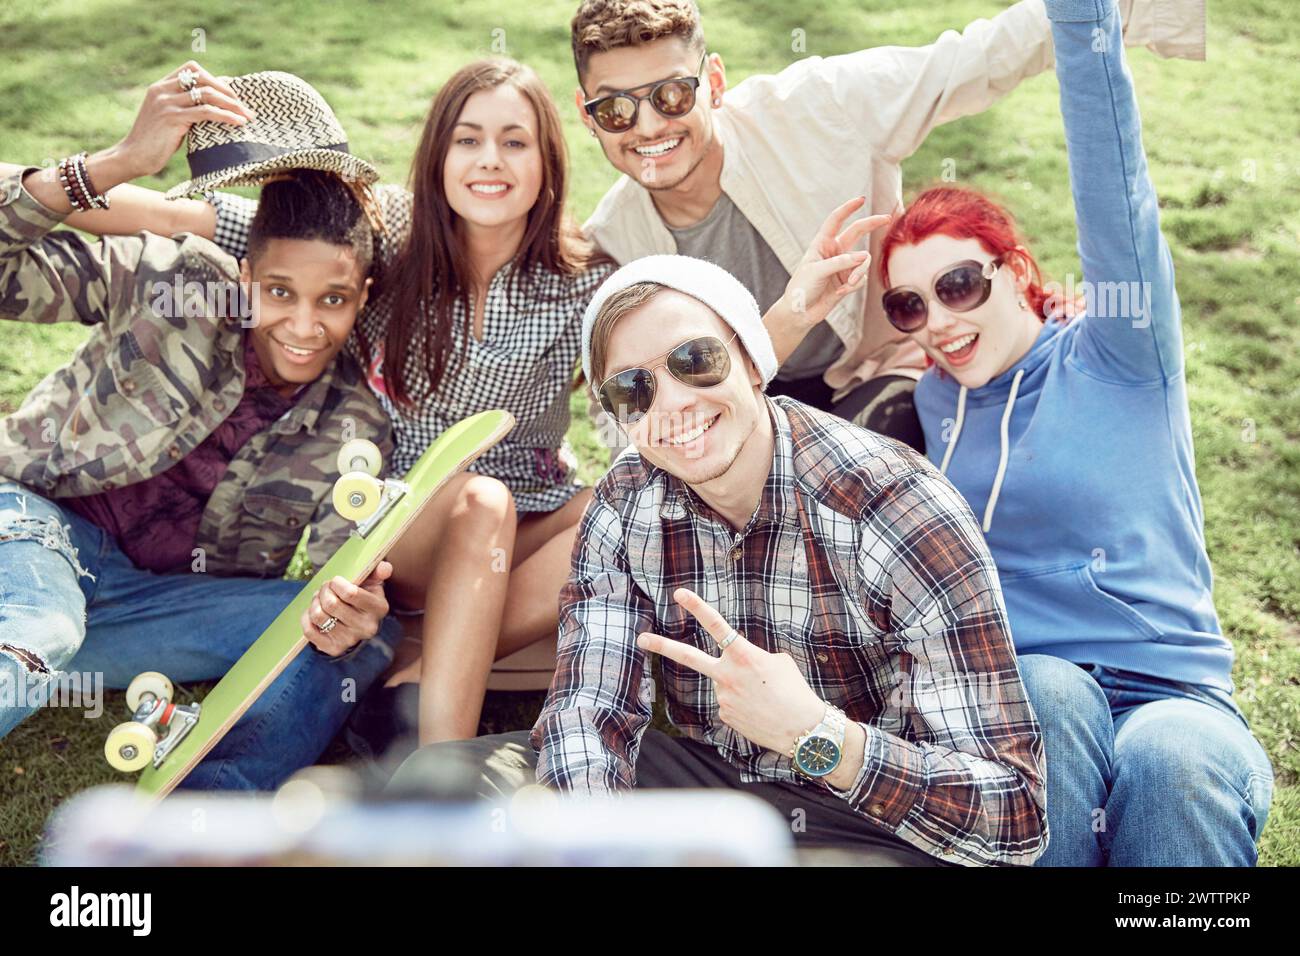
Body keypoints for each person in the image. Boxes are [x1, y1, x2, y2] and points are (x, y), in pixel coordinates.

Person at [389, 250, 1048, 866]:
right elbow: (589, 714)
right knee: (446, 784)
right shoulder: (625, 502)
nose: (672, 402)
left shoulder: (893, 505)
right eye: (633, 389)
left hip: (872, 825)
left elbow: (1011, 817)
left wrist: (816, 735)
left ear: (754, 361)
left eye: (695, 359)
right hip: (714, 798)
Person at [59, 59, 616, 748]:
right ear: (439, 153)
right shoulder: (384, 232)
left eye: (515, 141)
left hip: (528, 518)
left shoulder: (587, 281)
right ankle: (438, 764)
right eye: (468, 140)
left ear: (548, 159)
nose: (489, 161)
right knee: (481, 501)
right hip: (396, 516)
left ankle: (418, 658)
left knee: (625, 505)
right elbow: (178, 219)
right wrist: (71, 182)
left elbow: (638, 395)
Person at [874, 0, 1273, 865]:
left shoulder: (1122, 356)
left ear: (1016, 272)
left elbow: (1115, 189)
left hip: (1174, 694)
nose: (938, 319)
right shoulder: (933, 407)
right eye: (910, 303)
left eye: (961, 285)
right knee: (1045, 695)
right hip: (1031, 691)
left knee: (1168, 760)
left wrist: (1080, 20)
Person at [569, 0, 1206, 454]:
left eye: (672, 96)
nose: (649, 127)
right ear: (588, 115)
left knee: (871, 446)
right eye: (616, 109)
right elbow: (619, 408)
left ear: (713, 82)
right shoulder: (617, 241)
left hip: (878, 370)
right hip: (741, 406)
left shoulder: (823, 105)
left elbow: (977, 60)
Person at [0, 67, 399, 789]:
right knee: (44, 628)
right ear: (246, 277)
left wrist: (354, 608)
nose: (305, 327)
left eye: (333, 300)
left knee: (357, 636)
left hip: (143, 608)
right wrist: (116, 165)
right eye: (279, 293)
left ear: (362, 295)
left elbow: (343, 574)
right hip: (30, 531)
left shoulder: (356, 423)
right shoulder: (168, 279)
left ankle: (203, 812)